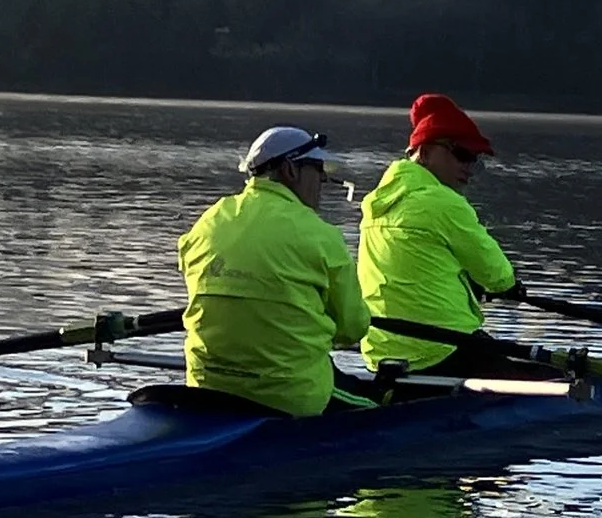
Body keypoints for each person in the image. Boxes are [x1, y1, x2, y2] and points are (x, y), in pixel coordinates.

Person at [176, 126, 372, 416]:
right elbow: (353, 328)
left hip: (207, 385)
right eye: (317, 169)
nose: (323, 179)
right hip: (290, 396)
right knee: (378, 406)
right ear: (290, 170)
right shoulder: (320, 235)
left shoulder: (208, 221)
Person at [358, 93, 519, 373]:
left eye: (475, 160)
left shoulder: (375, 204)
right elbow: (498, 275)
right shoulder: (443, 203)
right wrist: (508, 287)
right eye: (463, 155)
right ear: (427, 151)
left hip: (381, 355)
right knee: (548, 380)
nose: (469, 168)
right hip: (443, 349)